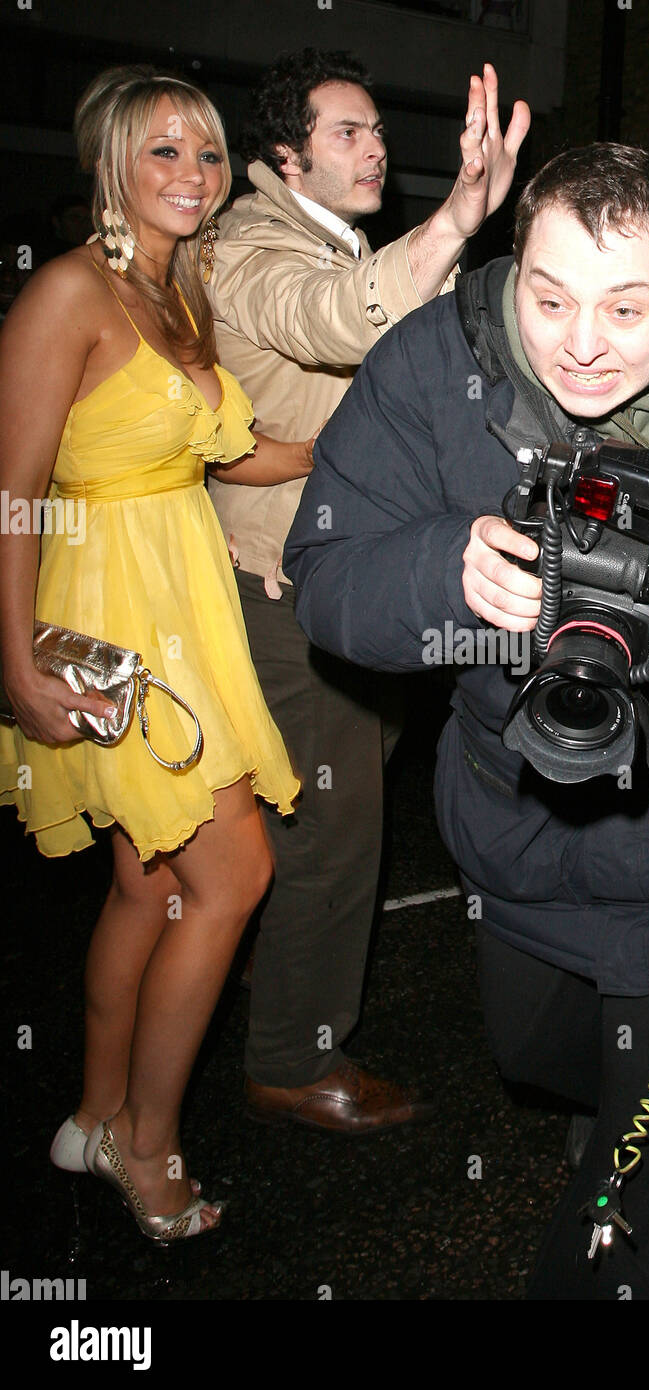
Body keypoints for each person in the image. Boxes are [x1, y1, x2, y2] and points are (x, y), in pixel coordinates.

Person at [283, 142, 649, 1297]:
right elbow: (322, 572)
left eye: (625, 306)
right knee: (533, 1054)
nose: (579, 341)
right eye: (548, 296)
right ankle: (604, 1108)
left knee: (636, 1191)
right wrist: (437, 574)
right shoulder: (433, 365)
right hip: (529, 815)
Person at [0, 66, 303, 1242]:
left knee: (151, 883)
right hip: (115, 621)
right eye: (164, 151)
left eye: (210, 154)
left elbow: (229, 452)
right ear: (111, 169)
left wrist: (347, 452)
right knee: (233, 878)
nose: (193, 173)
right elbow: (12, 494)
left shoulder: (176, 299)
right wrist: (19, 667)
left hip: (188, 604)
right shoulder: (67, 296)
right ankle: (147, 1144)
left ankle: (89, 1117)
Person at [206, 49, 530, 1133]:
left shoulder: (326, 234)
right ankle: (293, 1057)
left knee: (317, 802)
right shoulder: (252, 246)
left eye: (377, 128)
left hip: (349, 576)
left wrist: (464, 218)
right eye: (347, 131)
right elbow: (340, 318)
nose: (376, 146)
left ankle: (273, 970)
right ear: (285, 153)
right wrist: (455, 219)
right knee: (338, 835)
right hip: (287, 588)